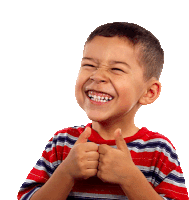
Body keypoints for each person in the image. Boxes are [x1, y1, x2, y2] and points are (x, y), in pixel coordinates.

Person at [18, 22, 188, 200]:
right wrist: (66, 173)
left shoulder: (159, 151)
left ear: (149, 92)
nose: (97, 76)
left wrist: (130, 178)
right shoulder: (61, 144)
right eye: (89, 65)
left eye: (116, 69)